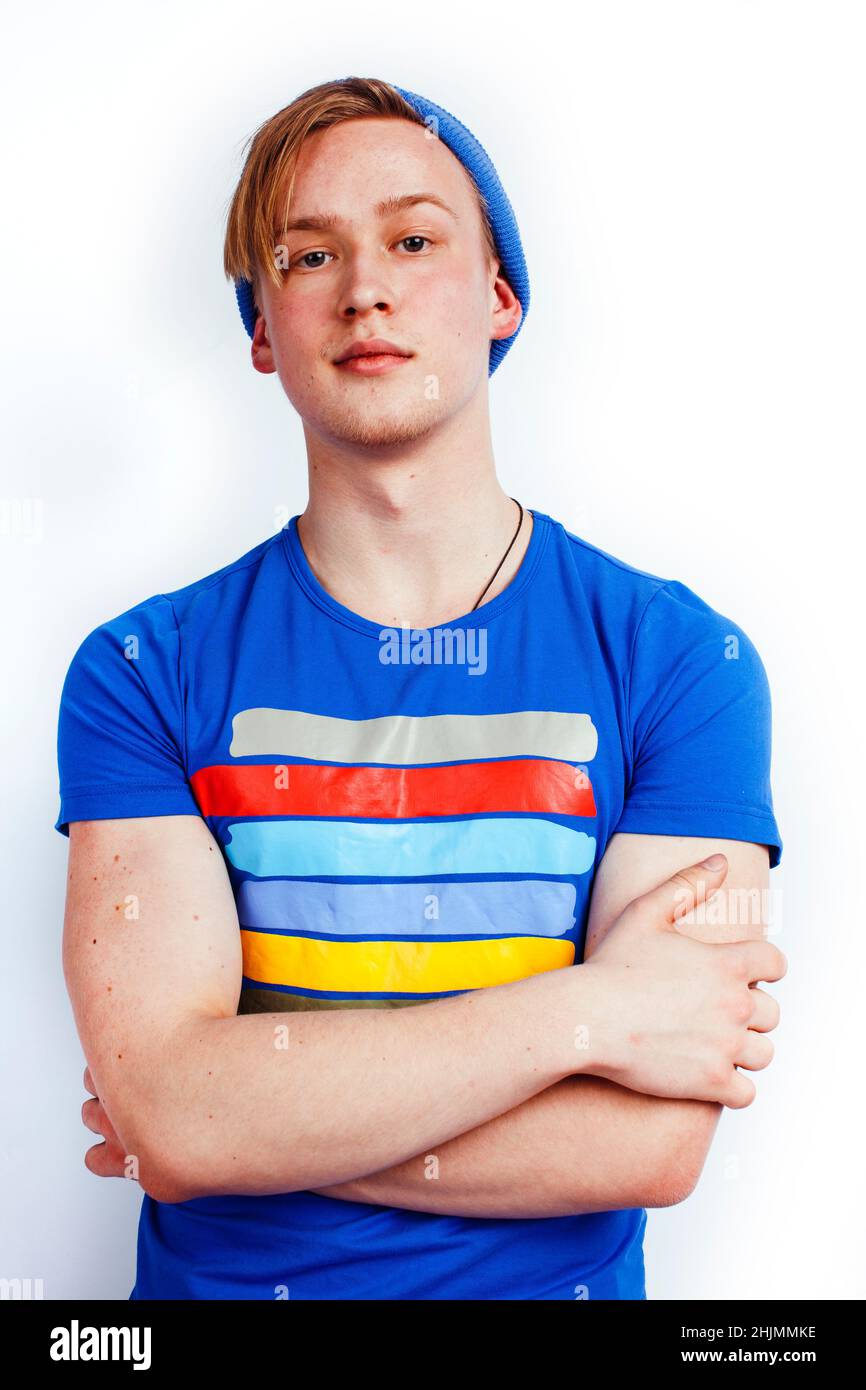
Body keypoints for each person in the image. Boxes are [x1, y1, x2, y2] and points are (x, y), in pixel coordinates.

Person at [56, 75, 786, 1301]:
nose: (365, 288)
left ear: (499, 297)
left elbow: (649, 1142)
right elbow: (175, 1120)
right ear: (259, 328)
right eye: (307, 254)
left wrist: (234, 1119)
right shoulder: (139, 671)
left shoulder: (680, 662)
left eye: (412, 237)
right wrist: (595, 1016)